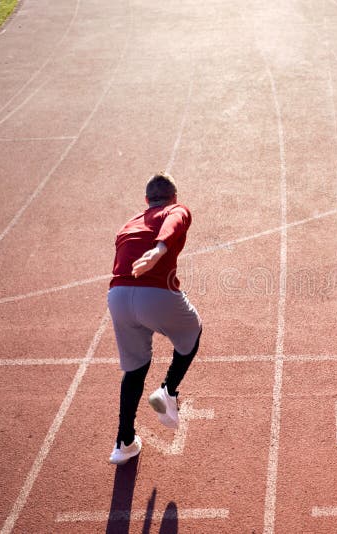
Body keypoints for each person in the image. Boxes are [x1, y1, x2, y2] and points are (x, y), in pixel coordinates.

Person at [107, 172, 202, 465]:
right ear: (174, 198)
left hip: (118, 297)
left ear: (146, 200)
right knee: (192, 330)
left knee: (135, 368)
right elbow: (175, 222)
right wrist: (159, 250)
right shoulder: (176, 210)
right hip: (156, 294)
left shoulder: (128, 224)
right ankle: (168, 391)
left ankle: (123, 442)